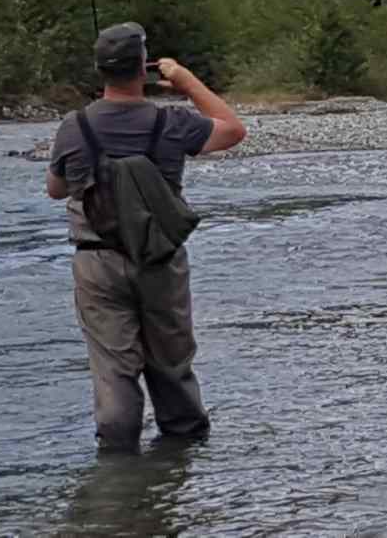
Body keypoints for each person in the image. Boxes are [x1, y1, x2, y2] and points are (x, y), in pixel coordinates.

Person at [47, 22, 247, 449]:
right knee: (172, 367)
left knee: (113, 369)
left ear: (101, 70)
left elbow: (56, 188)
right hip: (160, 260)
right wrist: (185, 79)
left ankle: (119, 478)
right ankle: (179, 467)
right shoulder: (172, 121)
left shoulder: (74, 125)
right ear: (145, 68)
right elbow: (232, 129)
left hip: (96, 262)